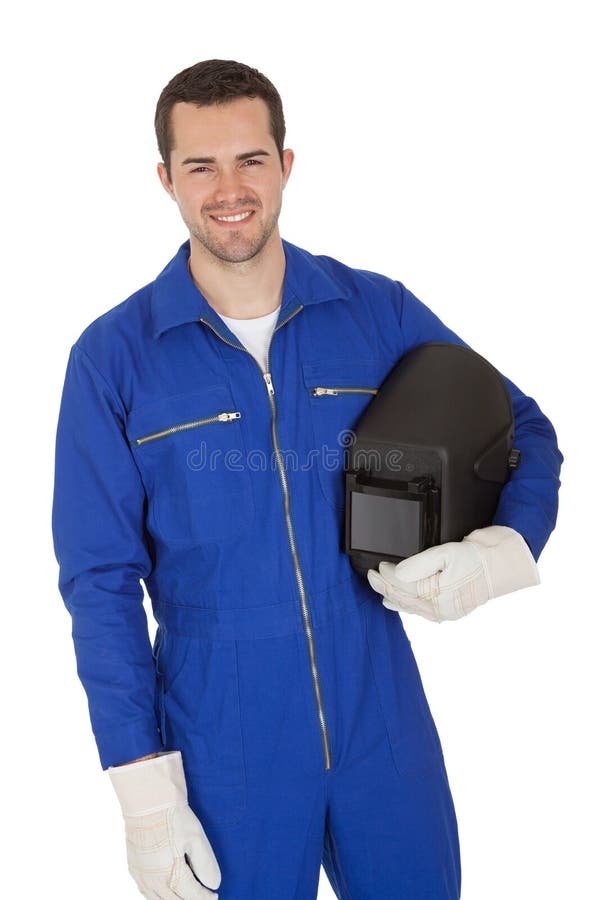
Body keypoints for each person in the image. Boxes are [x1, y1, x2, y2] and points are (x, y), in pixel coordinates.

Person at [51, 59, 562, 899]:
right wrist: (144, 794)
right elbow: (100, 582)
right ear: (165, 180)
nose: (229, 188)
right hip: (224, 741)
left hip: (382, 720)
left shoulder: (375, 311)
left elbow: (523, 429)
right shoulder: (113, 359)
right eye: (200, 166)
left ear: (286, 165)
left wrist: (498, 554)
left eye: (251, 159)